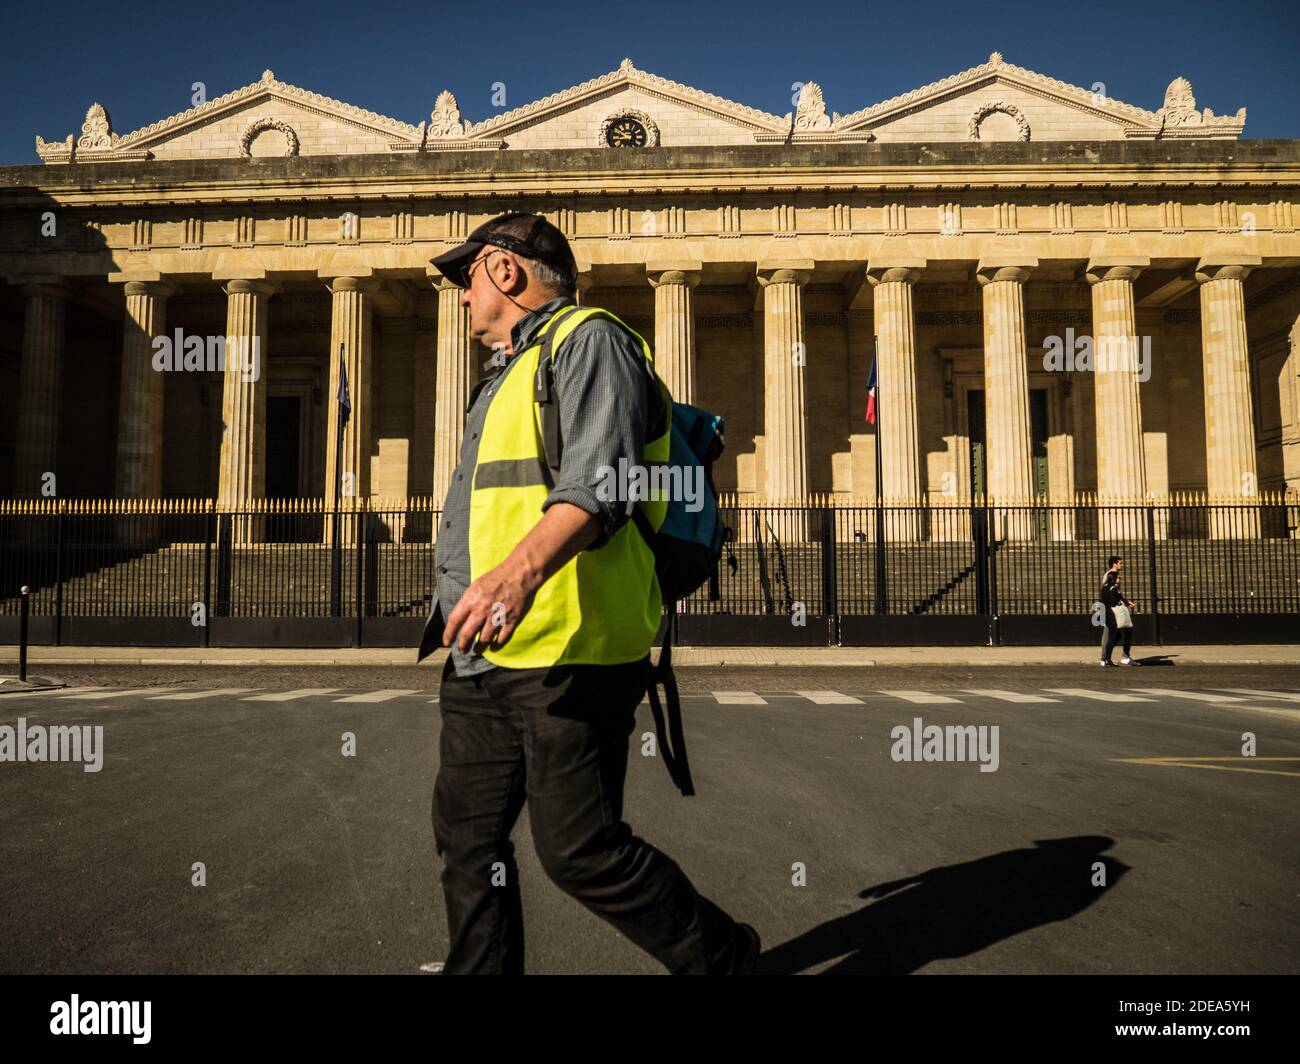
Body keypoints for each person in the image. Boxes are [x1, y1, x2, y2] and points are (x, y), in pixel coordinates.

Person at [417, 212, 759, 974]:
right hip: (482, 652)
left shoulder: (591, 342)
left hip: (571, 648)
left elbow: (599, 484)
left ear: (505, 270)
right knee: (467, 842)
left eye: (466, 278)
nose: (462, 298)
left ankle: (724, 957)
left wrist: (514, 577)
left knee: (580, 851)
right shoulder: (507, 372)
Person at [1099, 555, 1139, 667]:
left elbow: (1116, 593)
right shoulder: (1110, 576)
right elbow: (1112, 596)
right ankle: (1106, 658)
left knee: (1119, 633)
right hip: (1112, 611)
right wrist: (1120, 603)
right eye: (1120, 563)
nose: (1122, 565)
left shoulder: (1112, 578)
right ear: (1114, 564)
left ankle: (1112, 658)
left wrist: (1125, 601)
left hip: (1110, 610)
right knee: (1111, 635)